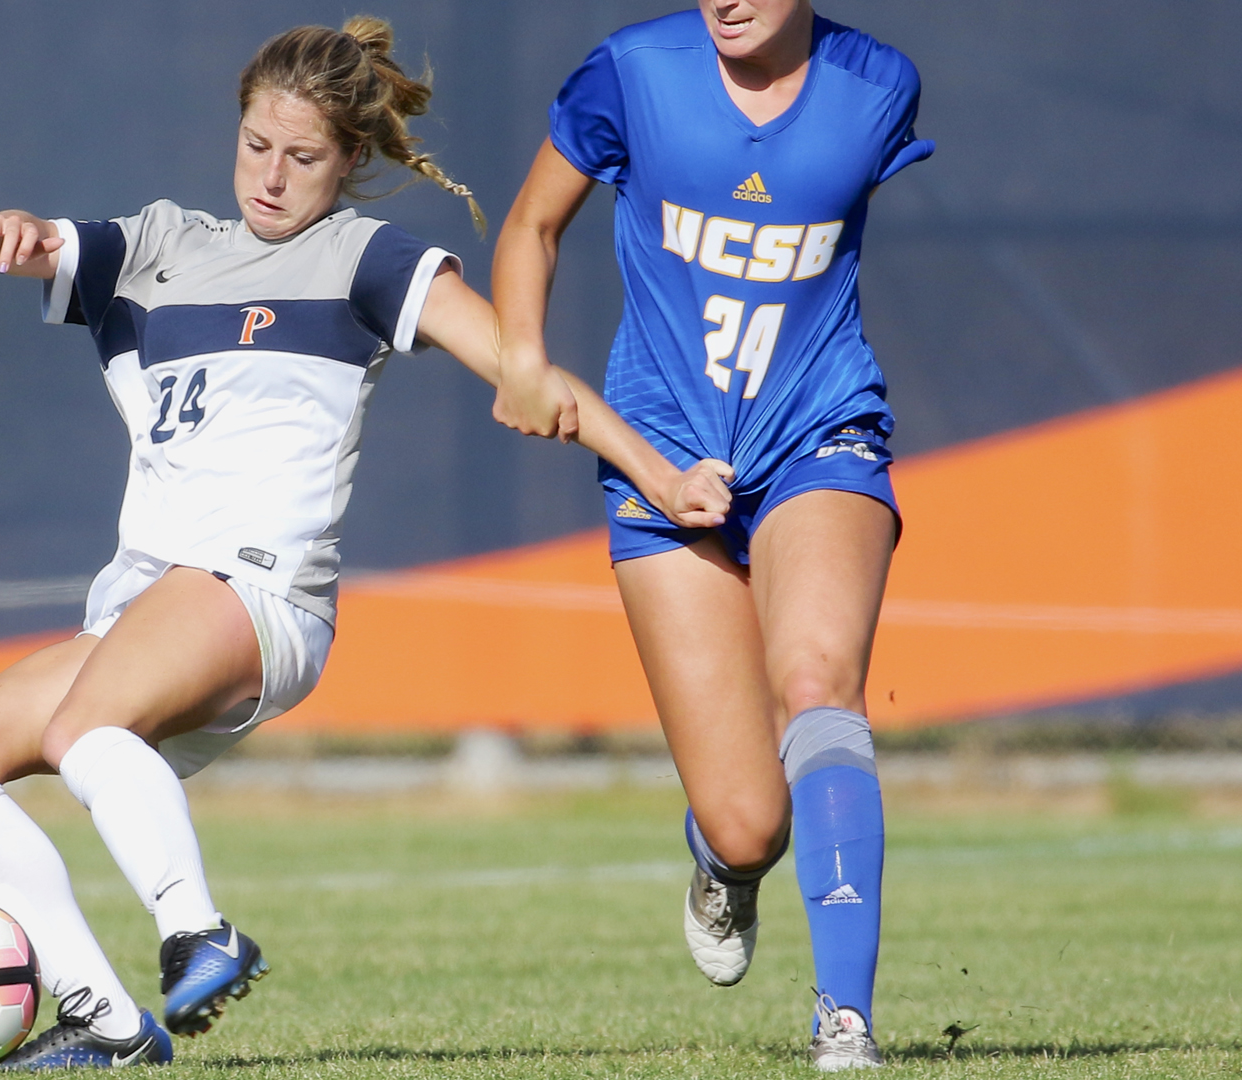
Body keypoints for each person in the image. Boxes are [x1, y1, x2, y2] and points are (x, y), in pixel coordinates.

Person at [0, 15, 728, 1072]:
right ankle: (105, 1021)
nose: (273, 177)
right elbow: (56, 244)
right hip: (147, 603)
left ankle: (198, 932)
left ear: (349, 161)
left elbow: (523, 366)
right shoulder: (161, 245)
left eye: (304, 158)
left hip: (258, 593)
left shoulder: (367, 261)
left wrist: (661, 475)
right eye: (257, 146)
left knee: (86, 729)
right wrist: (22, 230)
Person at [490, 0, 932, 1070]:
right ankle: (719, 863)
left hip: (819, 434)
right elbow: (530, 227)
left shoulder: (879, 86)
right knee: (746, 823)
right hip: (661, 454)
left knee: (819, 679)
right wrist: (520, 356)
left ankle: (845, 1023)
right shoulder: (633, 72)